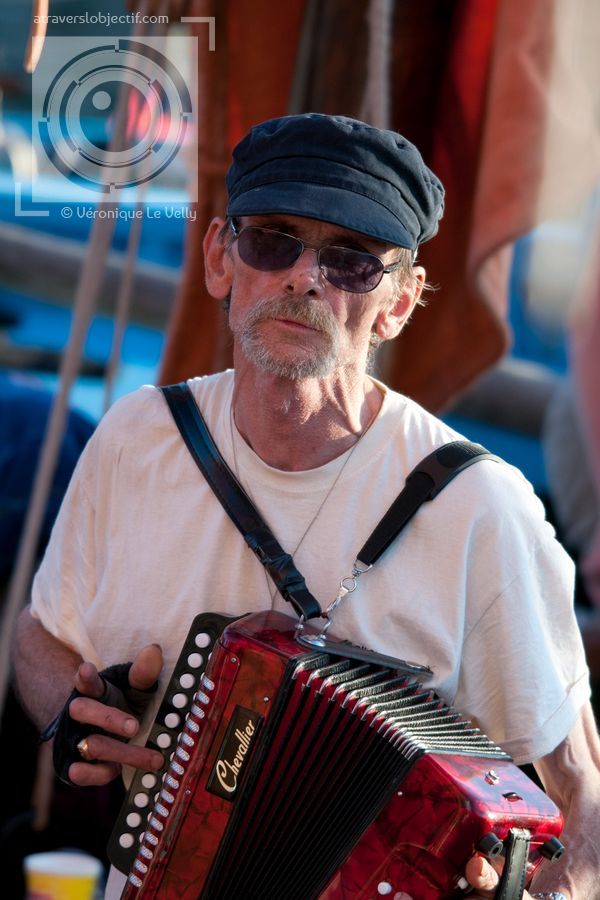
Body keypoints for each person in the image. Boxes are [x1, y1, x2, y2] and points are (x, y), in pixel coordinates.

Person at [13, 114, 600, 900]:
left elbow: (584, 801)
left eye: (351, 261)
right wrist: (77, 710)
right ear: (219, 258)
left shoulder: (480, 508)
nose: (304, 277)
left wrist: (540, 890)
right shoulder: (138, 438)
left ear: (400, 302)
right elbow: (40, 635)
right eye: (272, 241)